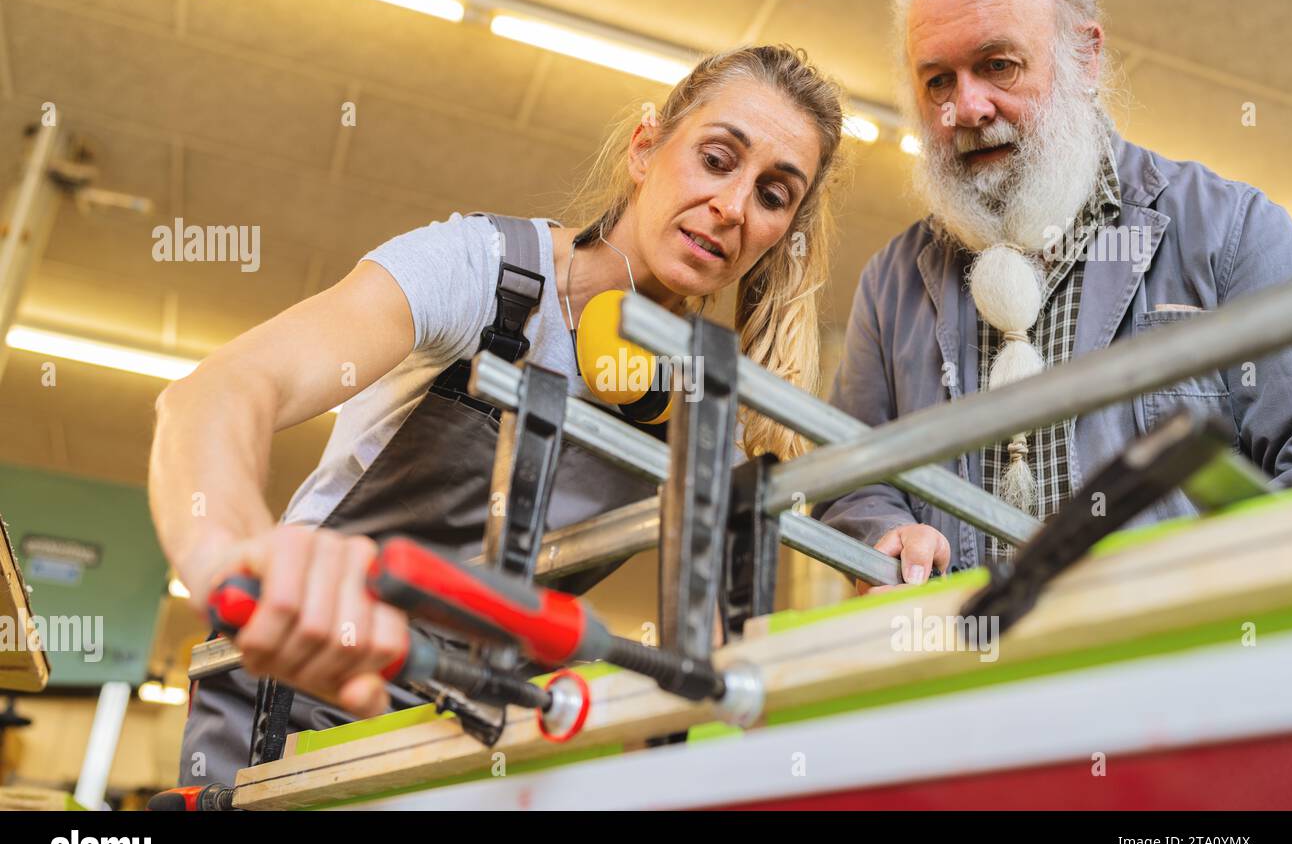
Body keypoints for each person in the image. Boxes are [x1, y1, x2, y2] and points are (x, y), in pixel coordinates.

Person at [149, 45, 846, 786]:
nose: (734, 207)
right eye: (716, 159)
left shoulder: (701, 402)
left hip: (471, 739)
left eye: (773, 195)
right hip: (295, 703)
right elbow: (224, 386)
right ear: (646, 148)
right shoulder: (487, 272)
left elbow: (713, 654)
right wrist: (231, 559)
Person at [815, 0, 1292, 588]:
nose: (969, 108)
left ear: (1086, 56)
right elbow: (852, 481)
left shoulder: (1232, 232)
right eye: (938, 81)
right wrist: (883, 531)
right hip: (971, 671)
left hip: (1183, 666)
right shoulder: (890, 284)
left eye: (999, 65)